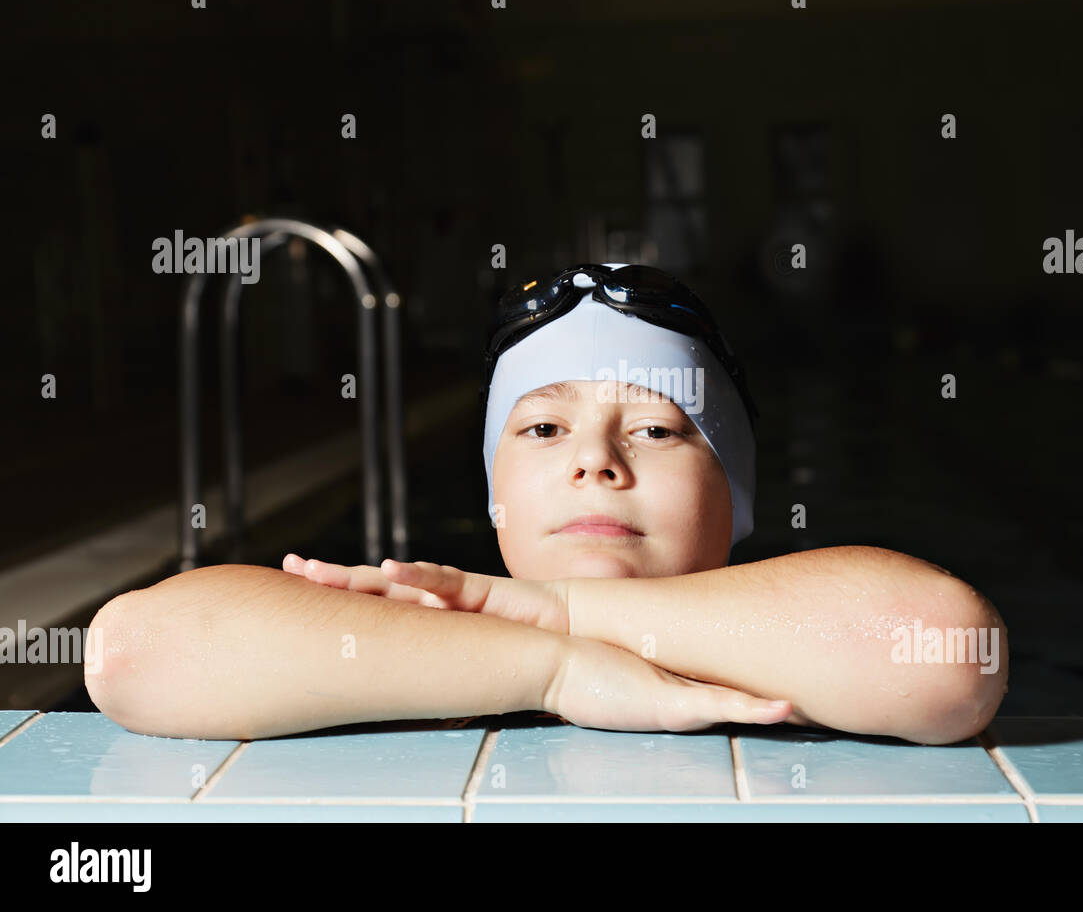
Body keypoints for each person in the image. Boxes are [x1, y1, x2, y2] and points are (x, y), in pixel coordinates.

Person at [86, 264, 1007, 744]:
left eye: (655, 431)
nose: (596, 462)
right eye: (542, 432)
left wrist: (560, 610)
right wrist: (554, 672)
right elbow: (133, 650)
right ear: (492, 499)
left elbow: (949, 656)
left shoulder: (799, 636)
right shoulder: (424, 625)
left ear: (736, 497)